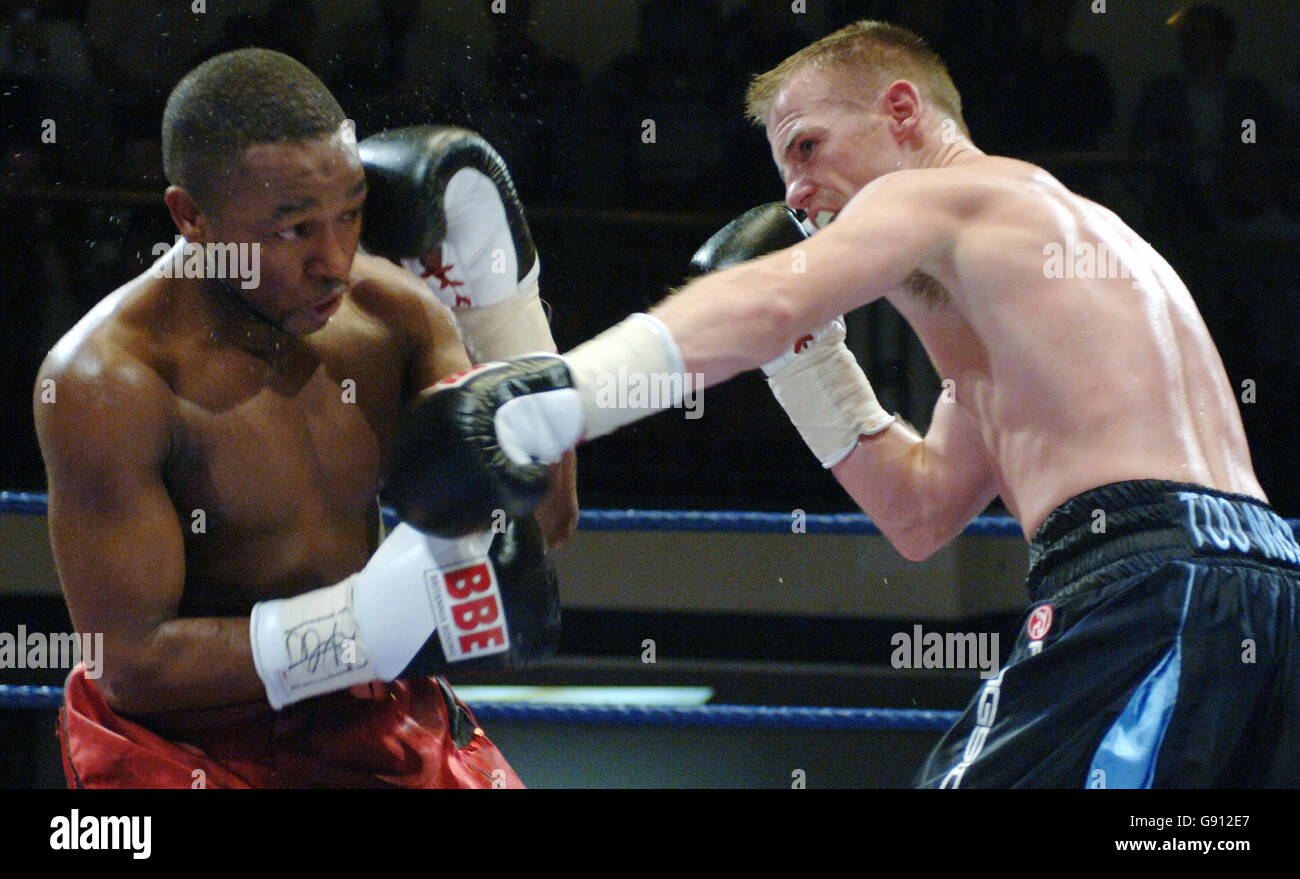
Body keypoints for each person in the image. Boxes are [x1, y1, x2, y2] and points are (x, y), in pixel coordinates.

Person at [415, 21, 1300, 788]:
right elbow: (919, 512)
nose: (795, 193)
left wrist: (552, 399)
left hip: (1145, 581)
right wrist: (807, 361)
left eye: (807, 146)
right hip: (1253, 582)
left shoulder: (938, 193)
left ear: (903, 112)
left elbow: (765, 303)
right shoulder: (1035, 268)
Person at [33, 48, 577, 789]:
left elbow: (545, 518)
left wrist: (504, 314)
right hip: (185, 745)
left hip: (371, 711)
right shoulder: (112, 380)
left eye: (351, 214)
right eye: (293, 231)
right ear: (190, 217)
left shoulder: (391, 316)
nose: (336, 261)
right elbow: (132, 666)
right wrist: (362, 628)